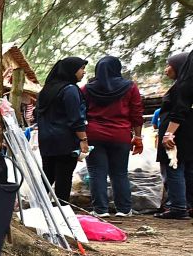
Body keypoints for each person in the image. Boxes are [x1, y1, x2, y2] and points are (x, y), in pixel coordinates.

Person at [83, 55, 143, 217]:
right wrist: (138, 137)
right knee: (120, 173)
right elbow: (137, 114)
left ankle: (100, 210)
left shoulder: (87, 89)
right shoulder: (130, 87)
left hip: (94, 135)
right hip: (120, 135)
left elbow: (81, 112)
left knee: (96, 172)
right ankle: (124, 209)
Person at [34, 57, 89, 202]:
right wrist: (83, 139)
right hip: (65, 140)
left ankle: (37, 205)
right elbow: (75, 118)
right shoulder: (69, 90)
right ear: (71, 71)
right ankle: (63, 210)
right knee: (64, 177)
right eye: (81, 68)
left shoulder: (45, 90)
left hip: (46, 140)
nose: (84, 72)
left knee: (47, 175)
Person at [156, 50, 193, 220]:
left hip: (177, 132)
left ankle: (178, 206)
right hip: (188, 132)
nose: (166, 70)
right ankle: (188, 204)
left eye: (169, 65)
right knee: (188, 169)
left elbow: (178, 110)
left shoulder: (183, 86)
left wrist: (169, 133)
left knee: (174, 167)